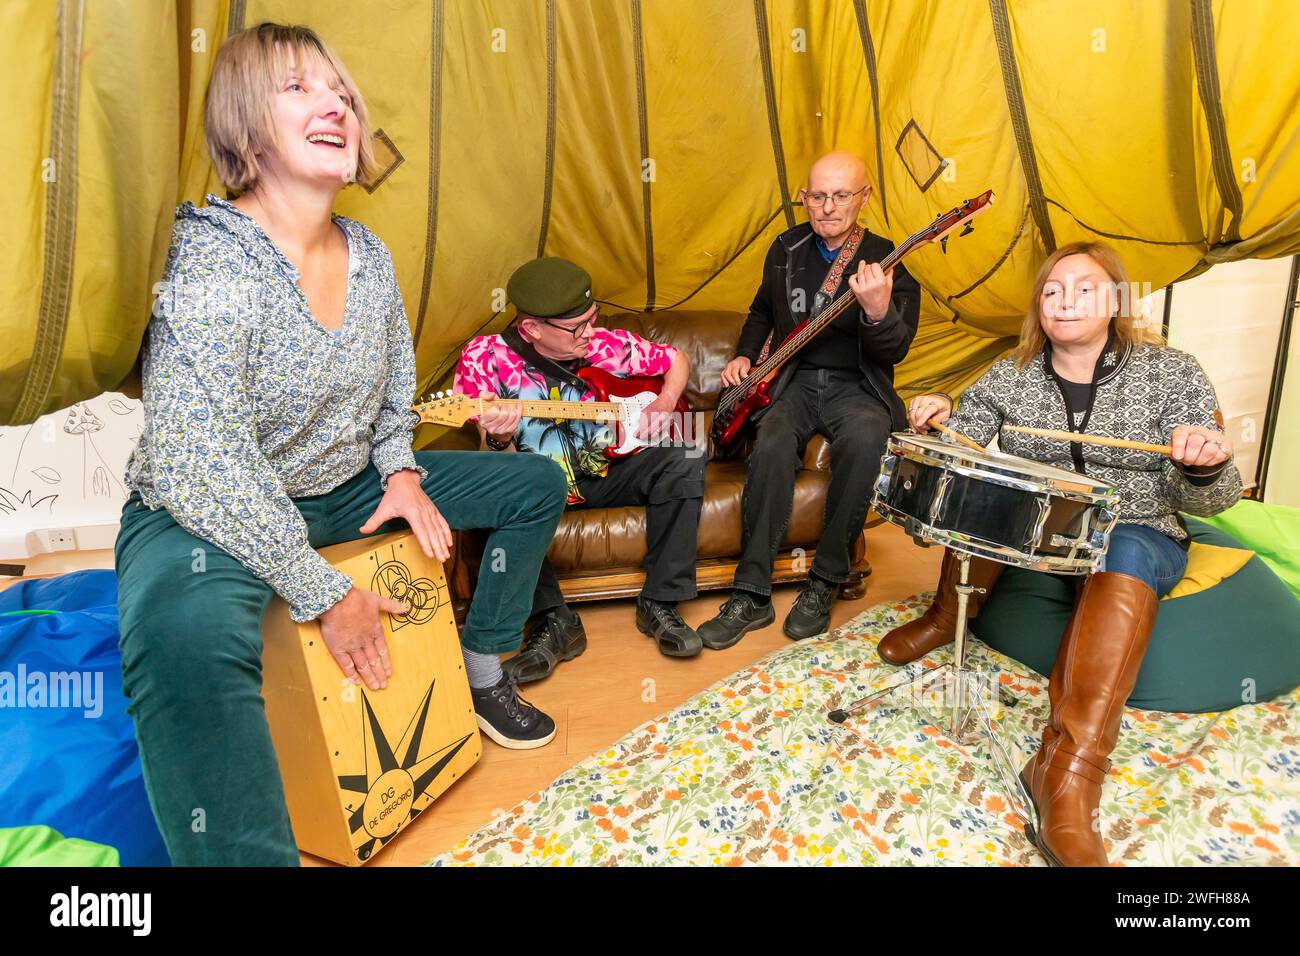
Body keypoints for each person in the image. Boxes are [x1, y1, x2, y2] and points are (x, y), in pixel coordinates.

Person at [115, 23, 569, 866]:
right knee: (181, 638)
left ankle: (482, 669)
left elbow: (396, 386)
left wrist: (399, 467)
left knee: (535, 483)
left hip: (346, 484)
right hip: (204, 511)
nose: (334, 102)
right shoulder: (211, 260)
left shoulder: (369, 253)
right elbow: (201, 457)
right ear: (245, 126)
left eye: (341, 92)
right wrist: (321, 590)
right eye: (298, 88)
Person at [883, 240, 1242, 866]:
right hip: (1049, 532)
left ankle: (1066, 770)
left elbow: (1216, 503)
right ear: (1038, 307)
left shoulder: (1173, 372)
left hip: (1140, 531)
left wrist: (1206, 461)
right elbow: (964, 447)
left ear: (1116, 300)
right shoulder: (1010, 372)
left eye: (1084, 287)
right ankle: (948, 617)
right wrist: (936, 417)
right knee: (994, 490)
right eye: (1052, 290)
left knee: (1125, 540)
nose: (1065, 300)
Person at [698, 151, 921, 648]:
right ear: (804, 197)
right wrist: (744, 354)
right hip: (794, 378)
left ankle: (825, 581)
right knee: (772, 440)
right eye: (817, 195)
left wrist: (879, 311)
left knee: (866, 438)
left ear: (864, 197)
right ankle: (751, 592)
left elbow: (897, 348)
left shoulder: (887, 258)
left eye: (841, 195)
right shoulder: (785, 247)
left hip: (857, 384)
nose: (827, 206)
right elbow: (760, 309)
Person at [454, 257, 706, 677]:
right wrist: (498, 436)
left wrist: (664, 403)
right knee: (489, 497)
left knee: (687, 454)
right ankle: (554, 621)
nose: (591, 333)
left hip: (608, 472)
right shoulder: (485, 358)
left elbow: (675, 360)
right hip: (539, 488)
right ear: (532, 328)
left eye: (593, 319)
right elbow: (489, 457)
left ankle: (660, 602)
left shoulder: (604, 345)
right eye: (578, 327)